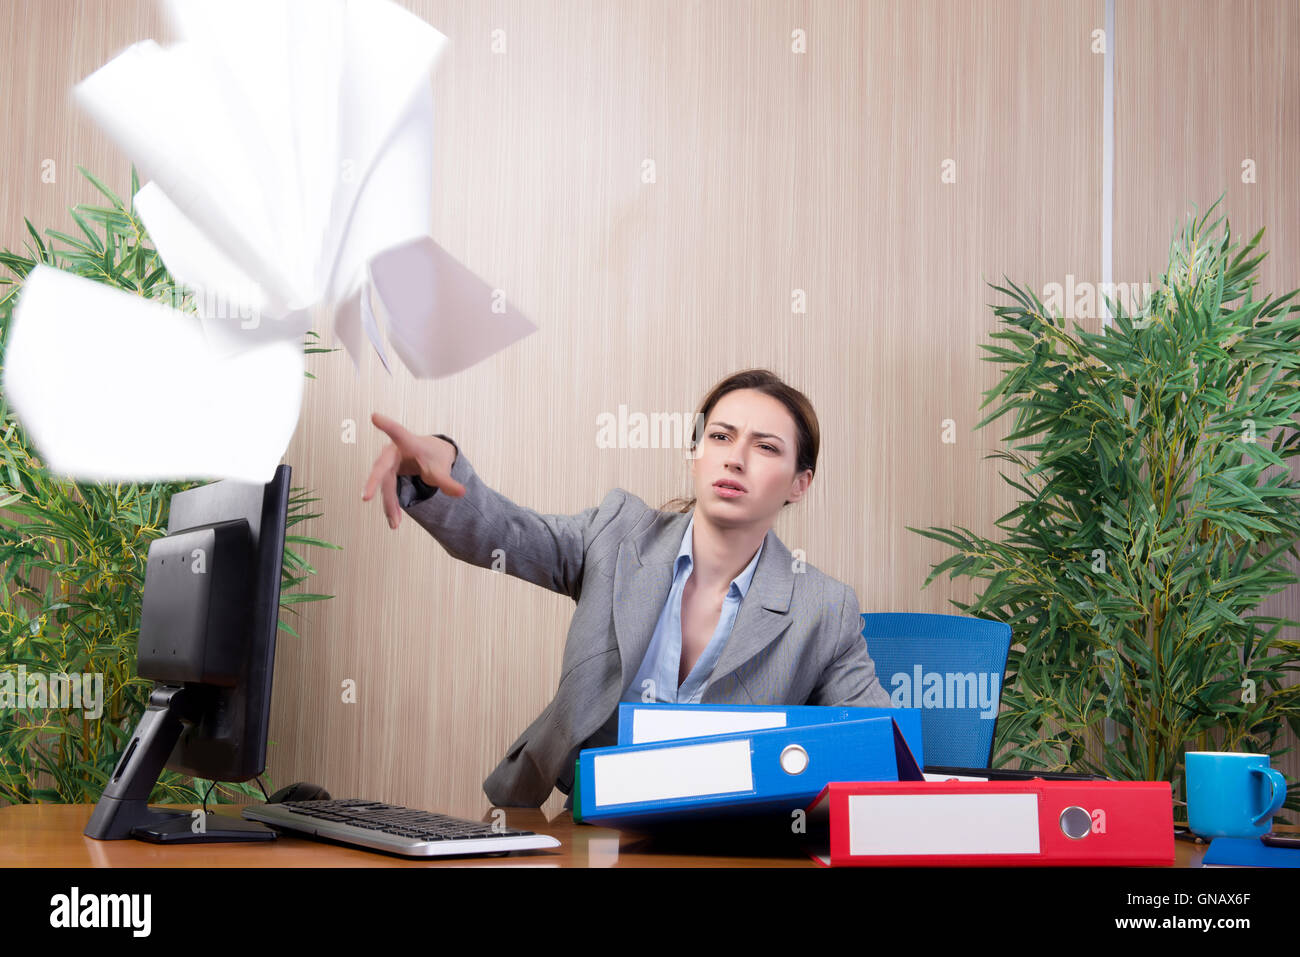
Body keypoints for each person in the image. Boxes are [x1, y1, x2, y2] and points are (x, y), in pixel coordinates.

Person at [361, 368, 890, 809]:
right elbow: (505, 533)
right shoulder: (616, 536)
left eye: (766, 447)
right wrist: (437, 468)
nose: (735, 458)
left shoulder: (823, 608)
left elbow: (878, 750)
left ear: (800, 483)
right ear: (696, 453)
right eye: (721, 436)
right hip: (594, 826)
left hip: (737, 840)